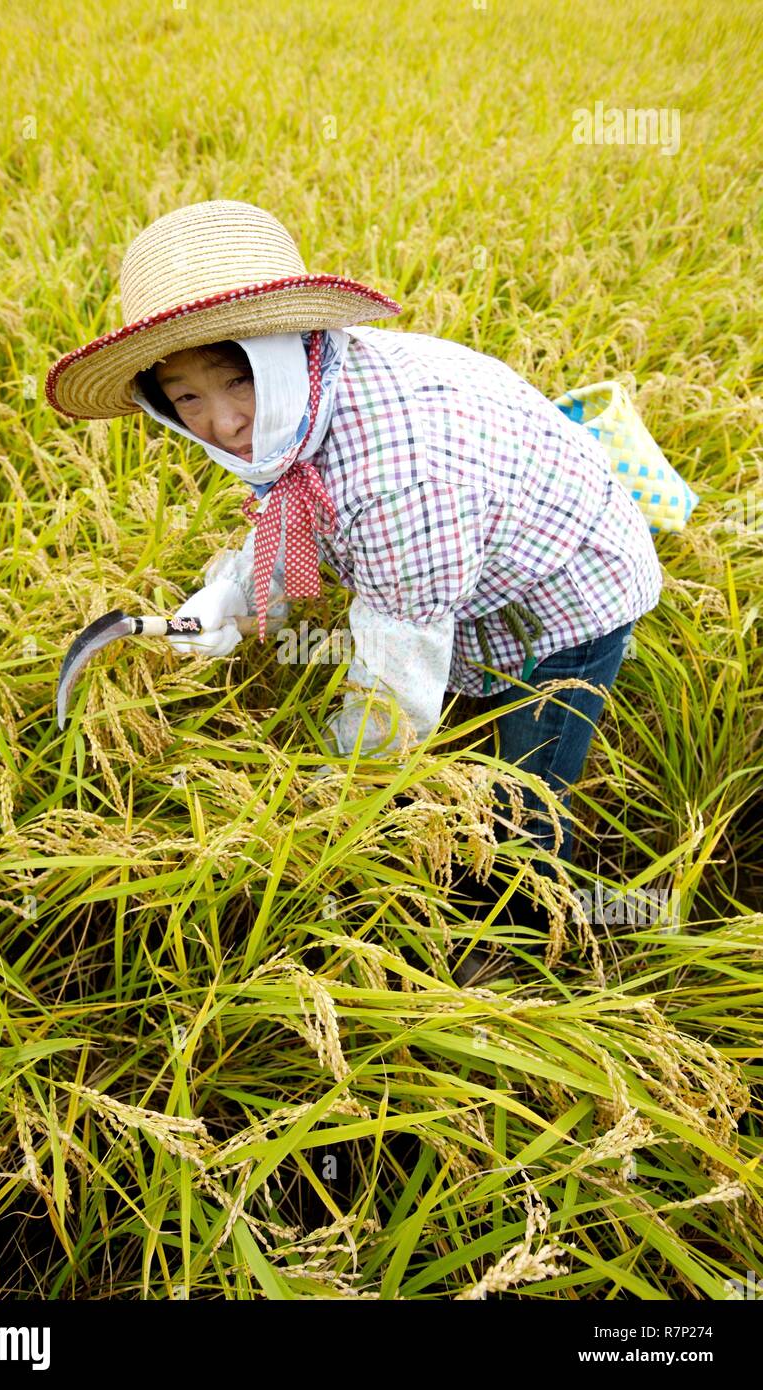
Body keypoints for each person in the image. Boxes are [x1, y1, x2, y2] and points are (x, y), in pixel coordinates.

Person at [46, 199, 668, 978]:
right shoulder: (305, 399)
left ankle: (531, 940)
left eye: (238, 380)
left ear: (286, 350)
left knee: (527, 788)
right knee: (467, 713)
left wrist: (339, 807)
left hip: (569, 589)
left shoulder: (399, 474)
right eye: (188, 397)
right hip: (473, 553)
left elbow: (394, 672)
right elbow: (294, 504)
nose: (227, 422)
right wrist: (230, 600)